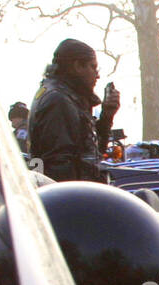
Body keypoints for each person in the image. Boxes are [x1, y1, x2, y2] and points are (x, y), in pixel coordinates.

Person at [27, 38, 120, 182]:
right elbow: (59, 165)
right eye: (93, 67)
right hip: (68, 196)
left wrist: (107, 116)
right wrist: (74, 200)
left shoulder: (65, 97)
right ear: (78, 66)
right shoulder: (58, 101)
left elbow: (91, 154)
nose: (97, 75)